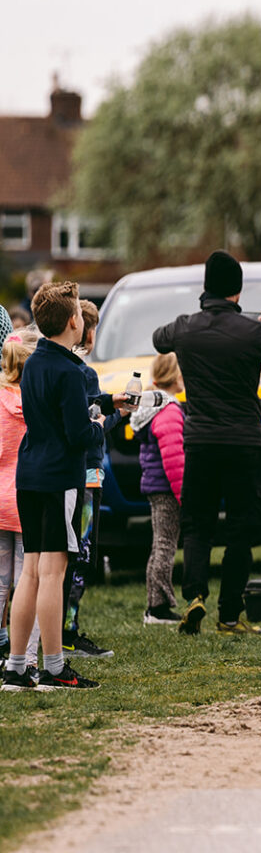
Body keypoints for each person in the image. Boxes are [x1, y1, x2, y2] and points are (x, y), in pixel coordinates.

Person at [153, 251, 261, 636]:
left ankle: (194, 596)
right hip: (245, 445)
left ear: (206, 286)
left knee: (198, 524)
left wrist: (189, 323)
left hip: (201, 443)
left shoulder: (185, 328)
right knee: (242, 528)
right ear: (238, 290)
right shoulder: (253, 331)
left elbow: (159, 339)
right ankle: (228, 615)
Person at [4, 282, 117, 690]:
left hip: (30, 475)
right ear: (75, 321)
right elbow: (77, 433)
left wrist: (106, 402)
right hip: (59, 480)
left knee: (31, 572)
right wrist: (101, 424)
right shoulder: (71, 371)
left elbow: (54, 411)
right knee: (54, 573)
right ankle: (53, 667)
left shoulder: (35, 363)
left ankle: (16, 666)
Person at [61, 300, 116, 660]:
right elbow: (91, 426)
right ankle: (69, 630)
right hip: (88, 474)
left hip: (64, 474)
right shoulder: (85, 373)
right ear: (89, 332)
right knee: (81, 553)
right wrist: (115, 415)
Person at [134, 353, 185, 626]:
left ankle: (155, 604)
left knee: (159, 544)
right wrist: (183, 494)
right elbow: (174, 458)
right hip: (167, 488)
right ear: (176, 377)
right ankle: (159, 607)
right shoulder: (170, 411)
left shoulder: (153, 408)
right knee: (166, 545)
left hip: (155, 486)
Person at [0, 328, 38, 665]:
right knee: (32, 582)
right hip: (29, 501)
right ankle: (25, 657)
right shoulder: (38, 401)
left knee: (0, 585)